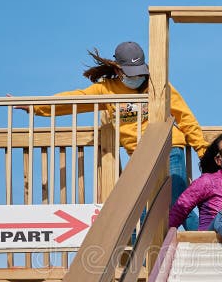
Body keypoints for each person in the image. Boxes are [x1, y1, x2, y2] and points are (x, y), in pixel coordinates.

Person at [13, 42, 207, 230]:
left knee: (179, 202)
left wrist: (202, 149)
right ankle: (133, 256)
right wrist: (36, 106)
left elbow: (184, 116)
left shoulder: (158, 84)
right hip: (140, 155)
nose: (137, 77)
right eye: (131, 73)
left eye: (140, 72)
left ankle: (205, 244)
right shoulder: (106, 90)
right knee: (134, 208)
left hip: (169, 147)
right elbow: (73, 99)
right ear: (117, 70)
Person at [168, 132, 222, 231]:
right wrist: (168, 232)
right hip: (211, 237)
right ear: (218, 160)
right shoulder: (207, 181)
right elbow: (181, 207)